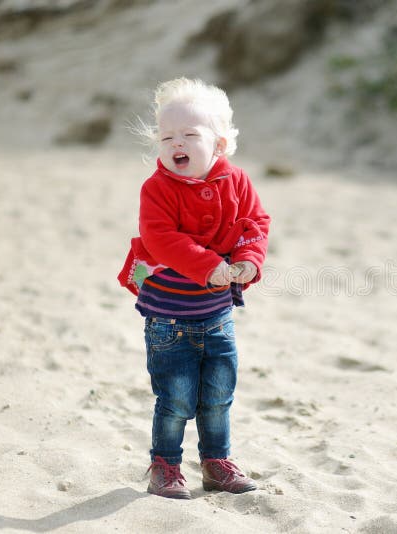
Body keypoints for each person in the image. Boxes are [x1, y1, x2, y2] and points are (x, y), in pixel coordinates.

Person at [118, 77, 270, 499]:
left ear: (219, 145)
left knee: (219, 395)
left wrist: (248, 260)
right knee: (176, 398)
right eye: (167, 137)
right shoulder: (157, 189)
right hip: (169, 317)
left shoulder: (236, 181)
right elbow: (160, 237)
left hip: (217, 314)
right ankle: (164, 464)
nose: (175, 143)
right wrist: (207, 266)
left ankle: (216, 462)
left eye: (189, 135)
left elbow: (256, 223)